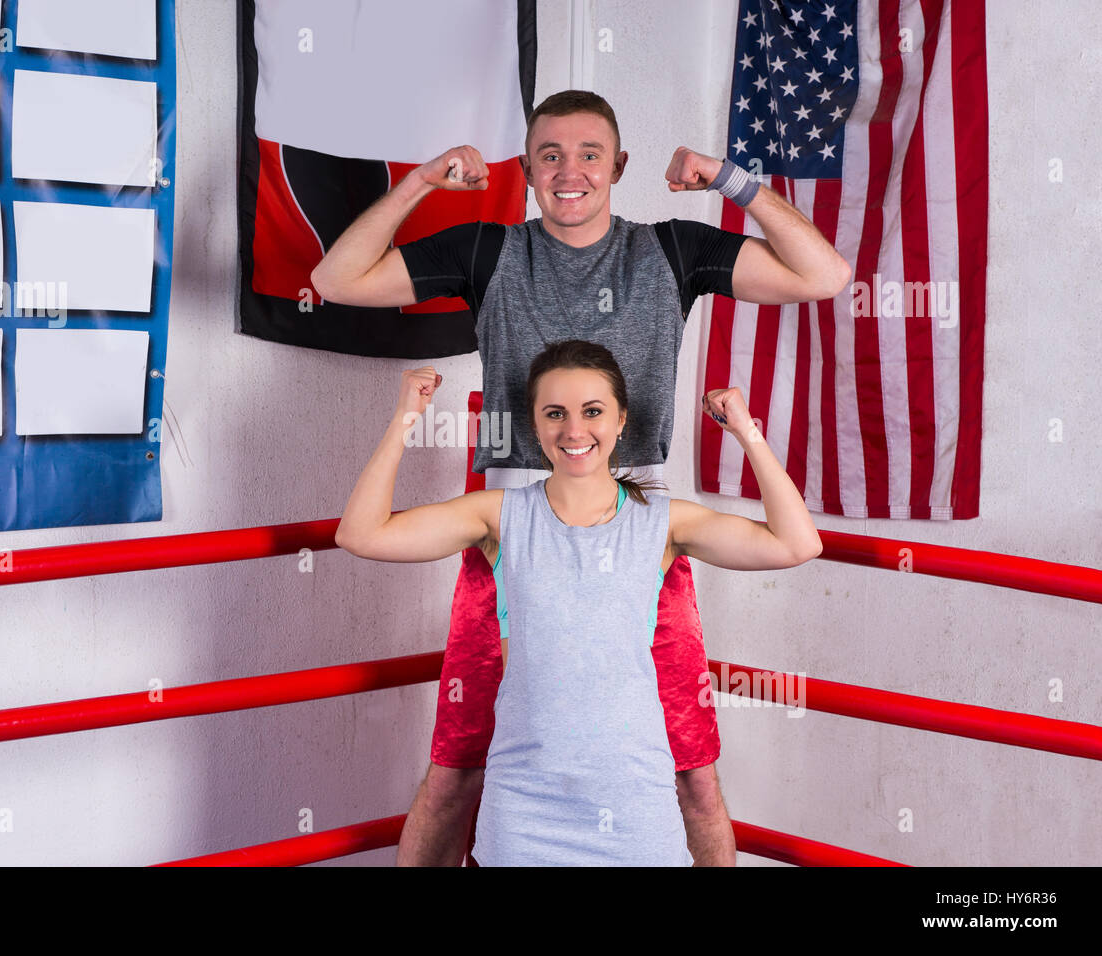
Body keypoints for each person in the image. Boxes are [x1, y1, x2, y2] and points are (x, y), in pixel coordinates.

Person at [312, 89, 849, 866]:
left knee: (693, 776)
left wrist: (731, 179)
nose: (571, 171)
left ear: (619, 165)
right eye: (550, 155)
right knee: (458, 773)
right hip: (509, 535)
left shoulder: (669, 248)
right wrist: (422, 181)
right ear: (527, 169)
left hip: (640, 535)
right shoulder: (488, 251)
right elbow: (337, 279)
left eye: (589, 153)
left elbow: (825, 273)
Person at [334, 340, 822, 865]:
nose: (574, 431)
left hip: (635, 800)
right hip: (525, 802)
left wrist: (746, 430)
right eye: (555, 414)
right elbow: (362, 534)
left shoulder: (664, 523)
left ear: (620, 420)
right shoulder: (498, 517)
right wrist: (405, 418)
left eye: (592, 412)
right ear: (536, 424)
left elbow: (796, 544)